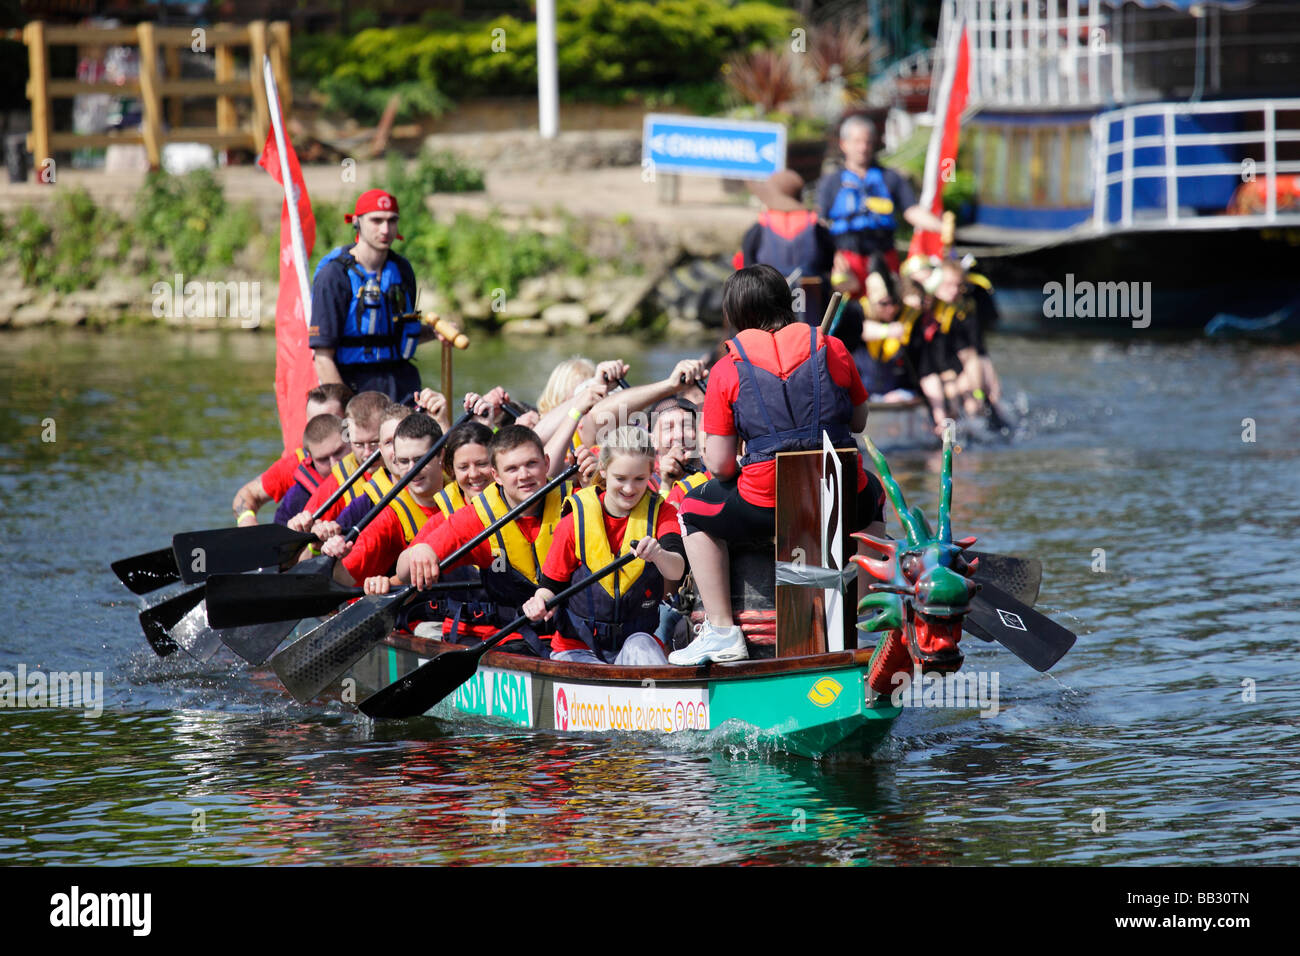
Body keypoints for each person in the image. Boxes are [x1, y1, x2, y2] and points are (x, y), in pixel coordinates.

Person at [670, 265, 886, 665]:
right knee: (873, 493)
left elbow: (718, 466)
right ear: (786, 303)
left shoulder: (726, 367)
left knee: (691, 510)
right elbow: (858, 421)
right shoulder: (832, 346)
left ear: (735, 313)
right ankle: (863, 616)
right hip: (837, 494)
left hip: (766, 503)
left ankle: (720, 631)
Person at [363, 425, 575, 658]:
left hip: (569, 639)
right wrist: (419, 551)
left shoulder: (575, 504)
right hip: (505, 640)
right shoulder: (475, 519)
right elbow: (404, 573)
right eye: (512, 468)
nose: (524, 475)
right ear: (497, 476)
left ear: (546, 463)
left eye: (531, 464)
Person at [522, 426, 686, 665]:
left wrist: (659, 554)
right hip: (577, 647)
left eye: (639, 479)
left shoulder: (663, 512)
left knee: (642, 647)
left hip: (635, 642)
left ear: (652, 473)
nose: (629, 489)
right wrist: (539, 602)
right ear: (604, 471)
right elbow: (549, 587)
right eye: (620, 479)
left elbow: (677, 569)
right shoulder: (575, 520)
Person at [308, 188, 436, 401]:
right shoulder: (334, 276)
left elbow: (395, 335)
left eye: (392, 221)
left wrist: (434, 333)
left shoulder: (402, 270)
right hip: (356, 389)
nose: (385, 229)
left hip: (403, 387)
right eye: (376, 220)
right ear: (357, 221)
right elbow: (322, 358)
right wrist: (348, 411)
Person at [817, 115, 945, 294]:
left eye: (868, 142)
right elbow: (820, 222)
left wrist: (941, 226)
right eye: (857, 142)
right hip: (847, 260)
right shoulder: (831, 182)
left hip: (884, 255)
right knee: (849, 309)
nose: (863, 148)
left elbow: (911, 210)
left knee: (887, 303)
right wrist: (832, 255)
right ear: (843, 144)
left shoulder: (890, 178)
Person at [321, 412, 444, 585]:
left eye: (419, 459)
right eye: (403, 461)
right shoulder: (388, 518)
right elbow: (346, 580)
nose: (412, 469)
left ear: (441, 455)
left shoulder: (465, 488)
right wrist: (334, 560)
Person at [231, 382, 351, 526]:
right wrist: (248, 524)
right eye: (314, 423)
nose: (321, 428)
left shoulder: (372, 460)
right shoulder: (295, 464)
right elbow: (248, 494)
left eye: (330, 420)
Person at [732, 169, 836, 323]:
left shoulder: (758, 229)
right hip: (812, 306)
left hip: (768, 306)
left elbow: (747, 268)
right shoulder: (816, 228)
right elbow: (828, 264)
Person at [285, 390, 390, 531]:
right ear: (348, 438)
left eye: (374, 442)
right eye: (358, 444)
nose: (367, 453)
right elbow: (303, 549)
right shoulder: (338, 482)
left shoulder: (413, 460)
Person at [272, 414, 351, 526]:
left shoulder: (373, 466)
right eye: (323, 459)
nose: (334, 465)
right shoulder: (297, 498)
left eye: (338, 452)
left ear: (350, 440)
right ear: (310, 457)